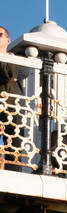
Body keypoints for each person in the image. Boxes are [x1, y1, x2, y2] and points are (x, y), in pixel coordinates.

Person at [0, 26, 25, 169]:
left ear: (8, 39)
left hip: (12, 107)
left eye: (0, 34)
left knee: (14, 147)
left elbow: (10, 74)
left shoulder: (12, 58)